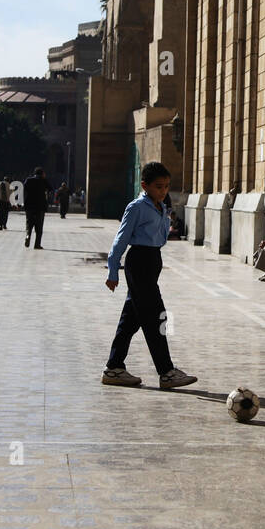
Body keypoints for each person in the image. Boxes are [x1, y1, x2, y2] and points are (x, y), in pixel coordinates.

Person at [102, 161, 196, 390]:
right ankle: (166, 372)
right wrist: (113, 270)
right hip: (139, 262)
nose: (163, 191)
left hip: (153, 261)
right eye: (158, 187)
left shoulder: (160, 206)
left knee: (130, 320)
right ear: (145, 185)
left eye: (166, 187)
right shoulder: (136, 207)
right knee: (157, 318)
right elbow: (120, 240)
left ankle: (114, 368)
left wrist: (165, 210)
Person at [23, 166, 51, 249]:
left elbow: (24, 189)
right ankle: (37, 244)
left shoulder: (28, 180)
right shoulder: (44, 180)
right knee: (39, 226)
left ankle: (28, 236)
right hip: (40, 206)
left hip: (29, 206)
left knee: (29, 223)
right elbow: (51, 189)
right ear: (42, 173)